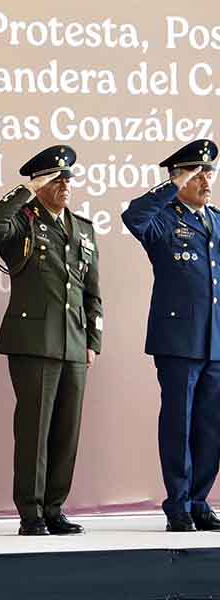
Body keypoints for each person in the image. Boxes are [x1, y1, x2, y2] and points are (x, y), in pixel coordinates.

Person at [0, 145, 102, 536]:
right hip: (33, 341)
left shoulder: (82, 228)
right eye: (56, 177)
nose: (65, 184)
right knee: (34, 429)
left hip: (73, 342)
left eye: (68, 177)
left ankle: (54, 507)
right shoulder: (22, 222)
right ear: (40, 182)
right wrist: (26, 191)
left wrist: (93, 339)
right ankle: (31, 511)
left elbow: (92, 291)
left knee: (67, 430)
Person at [122, 139, 220, 532]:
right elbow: (134, 217)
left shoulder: (215, 219)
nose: (207, 180)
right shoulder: (164, 220)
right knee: (179, 423)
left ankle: (199, 500)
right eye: (198, 174)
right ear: (180, 178)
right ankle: (177, 503)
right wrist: (172, 185)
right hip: (179, 340)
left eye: (209, 173)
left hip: (215, 342)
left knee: (211, 426)